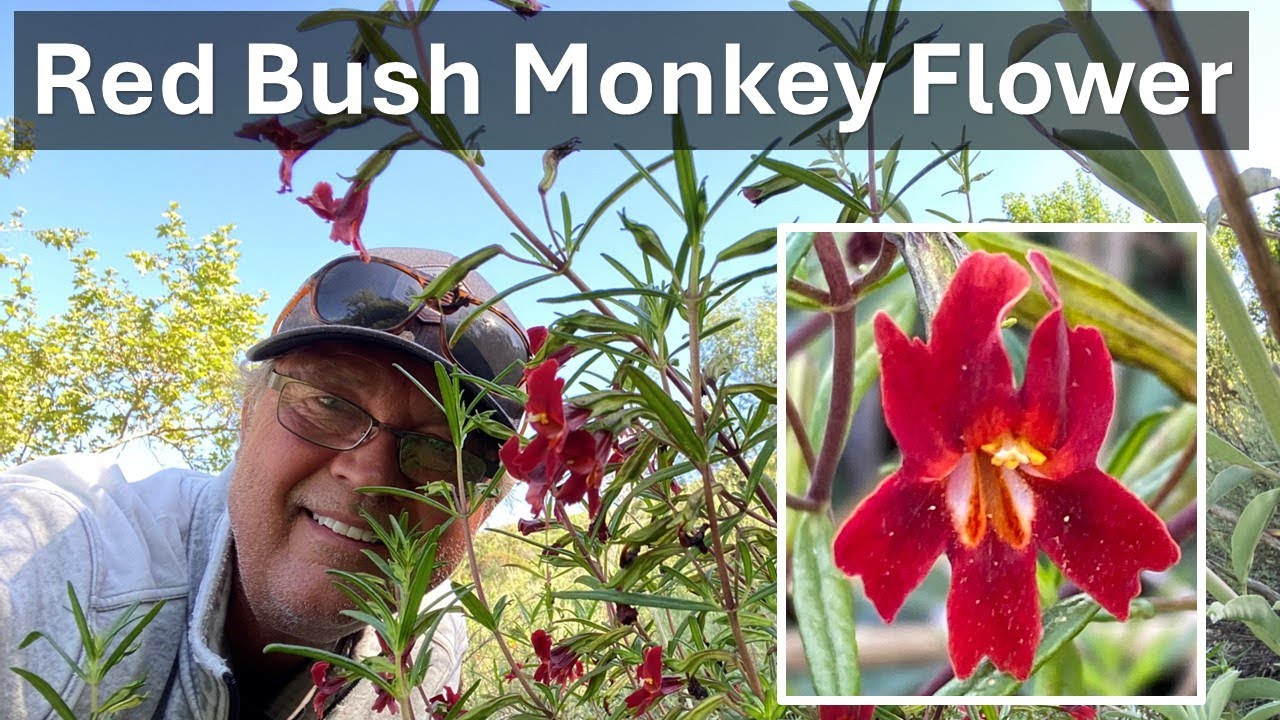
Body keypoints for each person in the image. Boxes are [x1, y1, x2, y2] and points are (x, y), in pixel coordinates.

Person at [0, 247, 531, 719]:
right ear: (247, 414)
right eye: (329, 404)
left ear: (485, 508)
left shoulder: (432, 649)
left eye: (442, 450)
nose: (370, 478)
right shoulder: (52, 557)